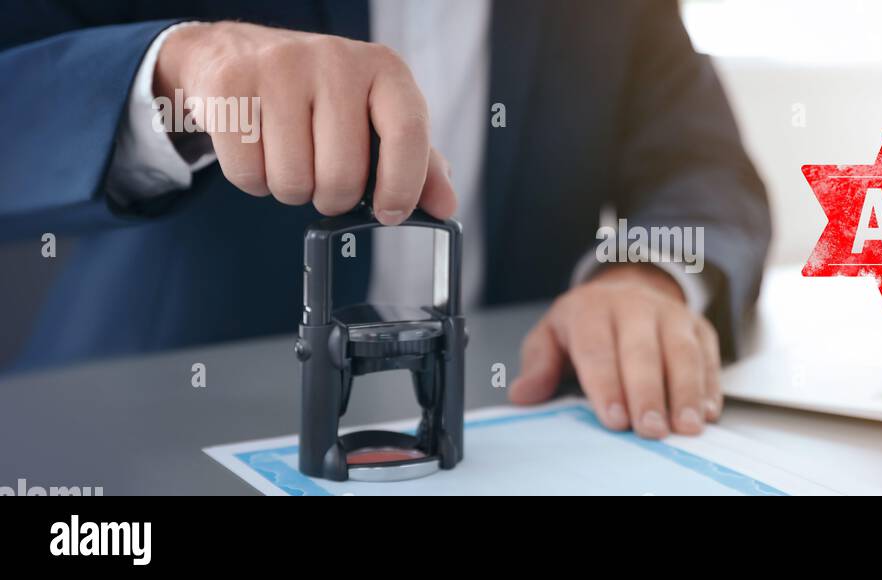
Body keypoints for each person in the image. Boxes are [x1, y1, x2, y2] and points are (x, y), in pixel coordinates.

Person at [0, 0, 770, 440]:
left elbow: (703, 169)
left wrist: (645, 275)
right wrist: (173, 72)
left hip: (507, 433)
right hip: (136, 442)